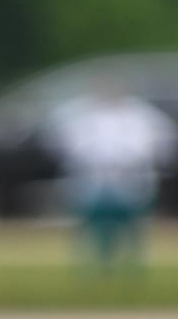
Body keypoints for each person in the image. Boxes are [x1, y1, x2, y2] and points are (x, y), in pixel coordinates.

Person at [47, 79, 176, 272]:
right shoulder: (82, 114)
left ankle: (133, 265)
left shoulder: (141, 115)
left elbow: (161, 141)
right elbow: (65, 143)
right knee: (93, 225)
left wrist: (135, 159)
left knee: (133, 226)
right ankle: (93, 266)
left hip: (131, 179)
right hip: (92, 179)